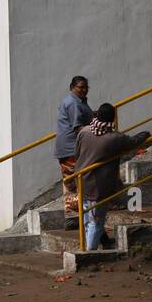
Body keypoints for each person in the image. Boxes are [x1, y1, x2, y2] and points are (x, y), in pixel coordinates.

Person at [75, 103, 151, 252]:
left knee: (87, 218)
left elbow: (77, 153)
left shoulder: (84, 132)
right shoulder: (114, 138)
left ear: (97, 115)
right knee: (96, 221)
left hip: (81, 179)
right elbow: (133, 142)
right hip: (98, 186)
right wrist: (145, 134)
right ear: (113, 117)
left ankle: (87, 246)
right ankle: (89, 252)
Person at [54, 75, 94, 231]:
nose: (83, 90)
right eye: (80, 87)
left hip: (73, 147)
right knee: (74, 182)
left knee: (72, 182)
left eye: (86, 87)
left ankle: (73, 215)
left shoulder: (79, 101)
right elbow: (78, 127)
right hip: (71, 148)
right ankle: (72, 216)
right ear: (72, 87)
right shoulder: (73, 103)